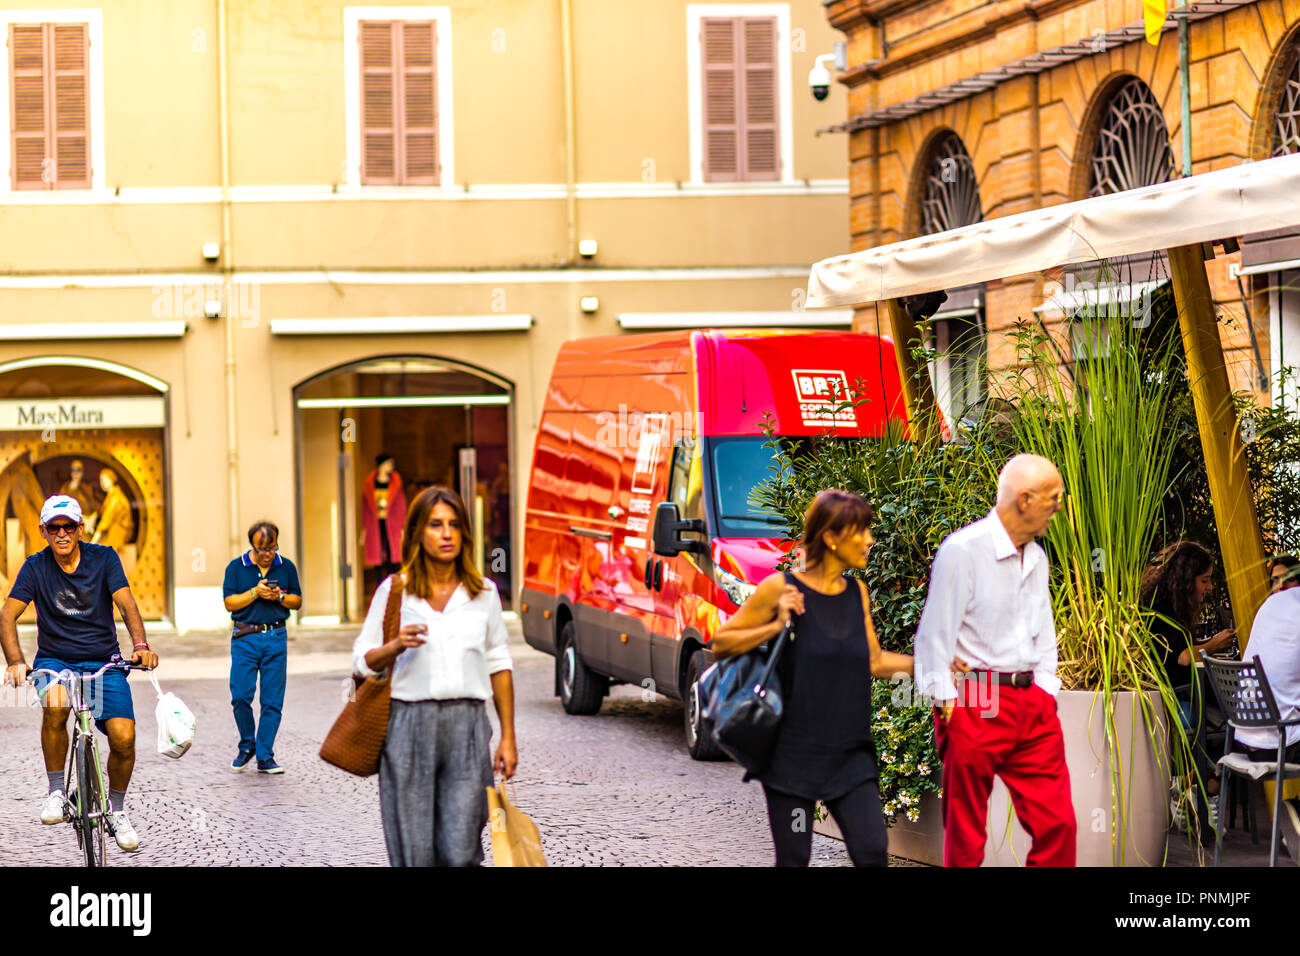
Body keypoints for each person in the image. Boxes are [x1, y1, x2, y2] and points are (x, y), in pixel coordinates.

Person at [712, 488, 919, 867]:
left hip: (850, 757)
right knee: (794, 860)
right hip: (793, 759)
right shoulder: (781, 587)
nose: (870, 540)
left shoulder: (857, 593)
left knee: (872, 852)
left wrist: (929, 664)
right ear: (830, 536)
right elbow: (721, 643)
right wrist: (776, 625)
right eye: (861, 531)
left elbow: (873, 661)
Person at [914, 454, 1077, 867]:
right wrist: (947, 702)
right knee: (967, 833)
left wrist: (1046, 690)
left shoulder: (1037, 558)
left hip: (1032, 706)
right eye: (1054, 498)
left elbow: (1044, 632)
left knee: (1058, 826)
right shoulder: (964, 550)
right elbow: (934, 634)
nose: (1059, 507)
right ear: (1025, 499)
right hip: (975, 701)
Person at [352, 486, 517, 867]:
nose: (446, 534)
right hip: (409, 725)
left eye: (454, 525)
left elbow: (500, 663)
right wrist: (394, 646)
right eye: (436, 525)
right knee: (414, 851)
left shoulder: (485, 594)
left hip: (469, 726)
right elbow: (362, 661)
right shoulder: (396, 591)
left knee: (461, 850)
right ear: (416, 534)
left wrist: (508, 737)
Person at [0, 495, 159, 852]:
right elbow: (6, 614)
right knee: (55, 708)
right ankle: (57, 791)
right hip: (54, 661)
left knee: (124, 737)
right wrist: (15, 660)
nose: (61, 534)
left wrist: (141, 645)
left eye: (67, 526)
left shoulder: (104, 558)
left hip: (103, 661)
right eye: (53, 528)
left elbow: (126, 603)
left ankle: (116, 812)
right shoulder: (34, 567)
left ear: (79, 528)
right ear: (43, 531)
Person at [1140, 540, 1236, 812]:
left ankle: (1193, 785)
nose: (1209, 587)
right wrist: (1214, 644)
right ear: (1185, 580)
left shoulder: (1162, 604)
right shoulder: (1164, 612)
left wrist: (1207, 645)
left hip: (1177, 696)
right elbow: (1182, 656)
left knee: (1233, 721)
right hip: (1178, 701)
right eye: (1204, 580)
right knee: (1239, 722)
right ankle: (1200, 786)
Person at [221, 521, 302, 774]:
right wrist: (255, 592)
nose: (268, 553)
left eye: (273, 547)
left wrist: (278, 596)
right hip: (245, 637)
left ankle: (265, 755)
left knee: (272, 700)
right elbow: (229, 603)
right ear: (252, 546)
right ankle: (248, 744)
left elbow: (297, 601)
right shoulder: (236, 567)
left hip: (276, 636)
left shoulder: (286, 566)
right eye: (262, 549)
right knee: (240, 695)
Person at [90, 468, 133, 551]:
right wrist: (93, 517)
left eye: (104, 480)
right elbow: (102, 511)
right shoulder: (111, 495)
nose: (102, 483)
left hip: (118, 533)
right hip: (111, 531)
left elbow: (105, 522)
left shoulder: (115, 499)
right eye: (101, 480)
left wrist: (92, 543)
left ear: (111, 480)